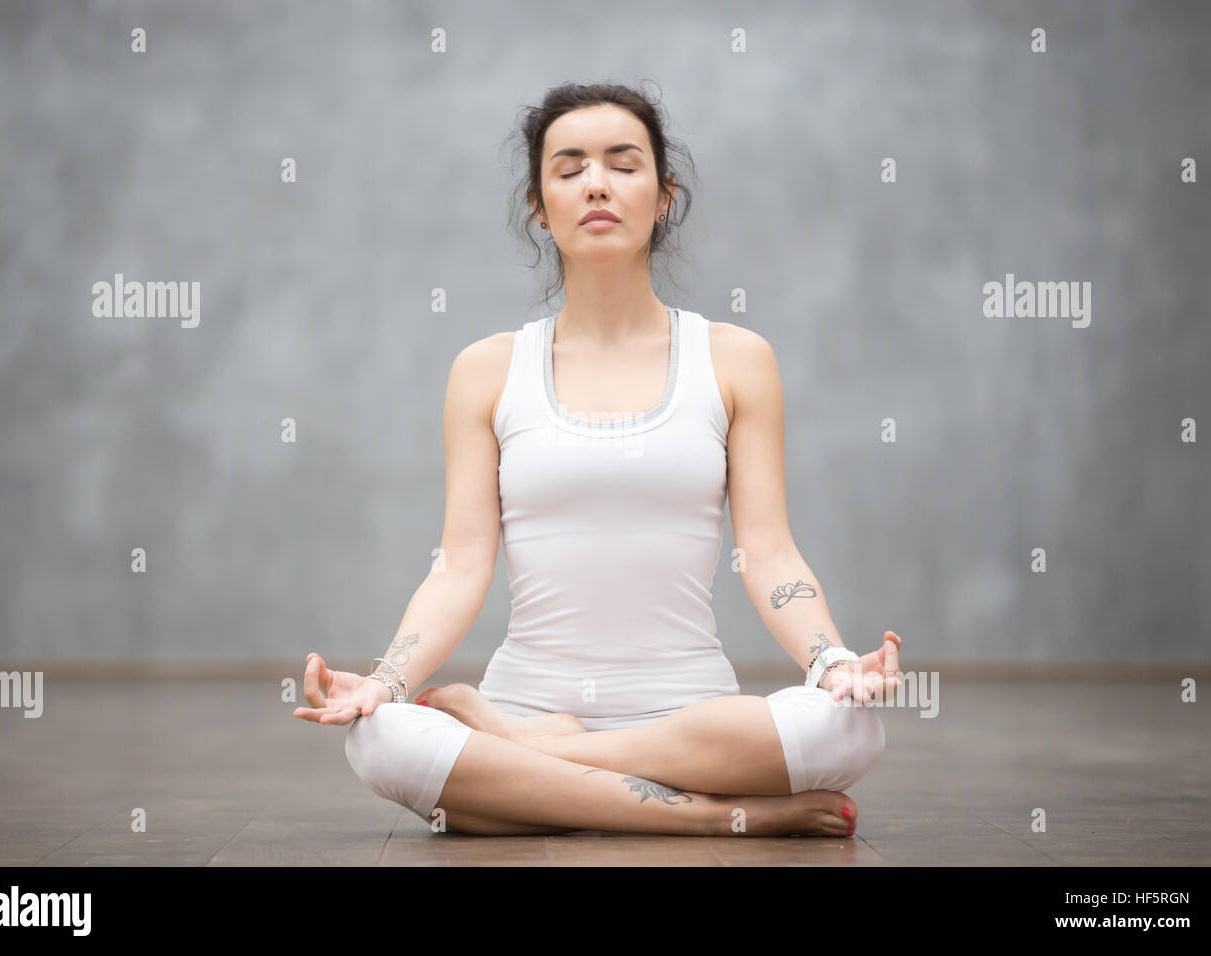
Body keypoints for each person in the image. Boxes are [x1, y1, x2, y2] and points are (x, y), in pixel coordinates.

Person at [294, 82, 902, 837]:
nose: (597, 185)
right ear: (538, 206)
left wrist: (833, 663)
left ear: (665, 195)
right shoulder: (486, 370)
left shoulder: (737, 360)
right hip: (530, 693)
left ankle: (528, 770)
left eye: (623, 163)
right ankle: (713, 818)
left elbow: (769, 553)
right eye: (569, 167)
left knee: (847, 727)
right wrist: (385, 682)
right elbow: (459, 566)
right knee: (380, 740)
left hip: (692, 715)